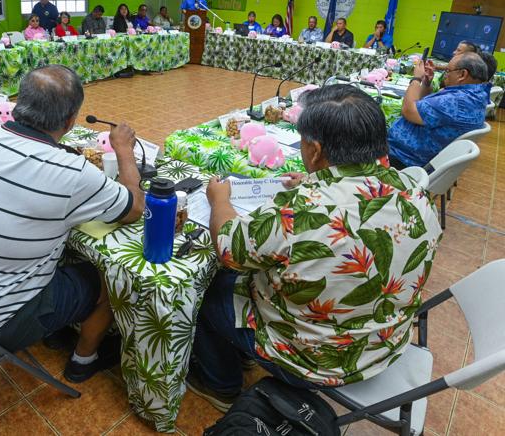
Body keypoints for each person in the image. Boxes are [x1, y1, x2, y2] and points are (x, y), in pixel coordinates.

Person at [188, 84, 442, 411]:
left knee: (209, 288)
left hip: (316, 362)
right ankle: (242, 354)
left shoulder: (302, 212)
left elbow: (228, 247)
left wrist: (219, 200)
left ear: (316, 150)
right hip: (385, 344)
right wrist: (314, 184)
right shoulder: (414, 189)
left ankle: (221, 384)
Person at [0, 65, 145, 383]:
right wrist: (123, 151)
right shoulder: (70, 174)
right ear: (70, 121)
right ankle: (84, 360)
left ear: (19, 102)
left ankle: (54, 329)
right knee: (113, 277)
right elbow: (134, 207)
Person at [388, 52, 490, 168]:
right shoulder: (474, 96)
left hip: (402, 158)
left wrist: (416, 78)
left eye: (448, 71)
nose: (445, 74)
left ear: (462, 74)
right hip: (413, 154)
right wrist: (426, 83)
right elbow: (422, 107)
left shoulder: (456, 101)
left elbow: (408, 111)